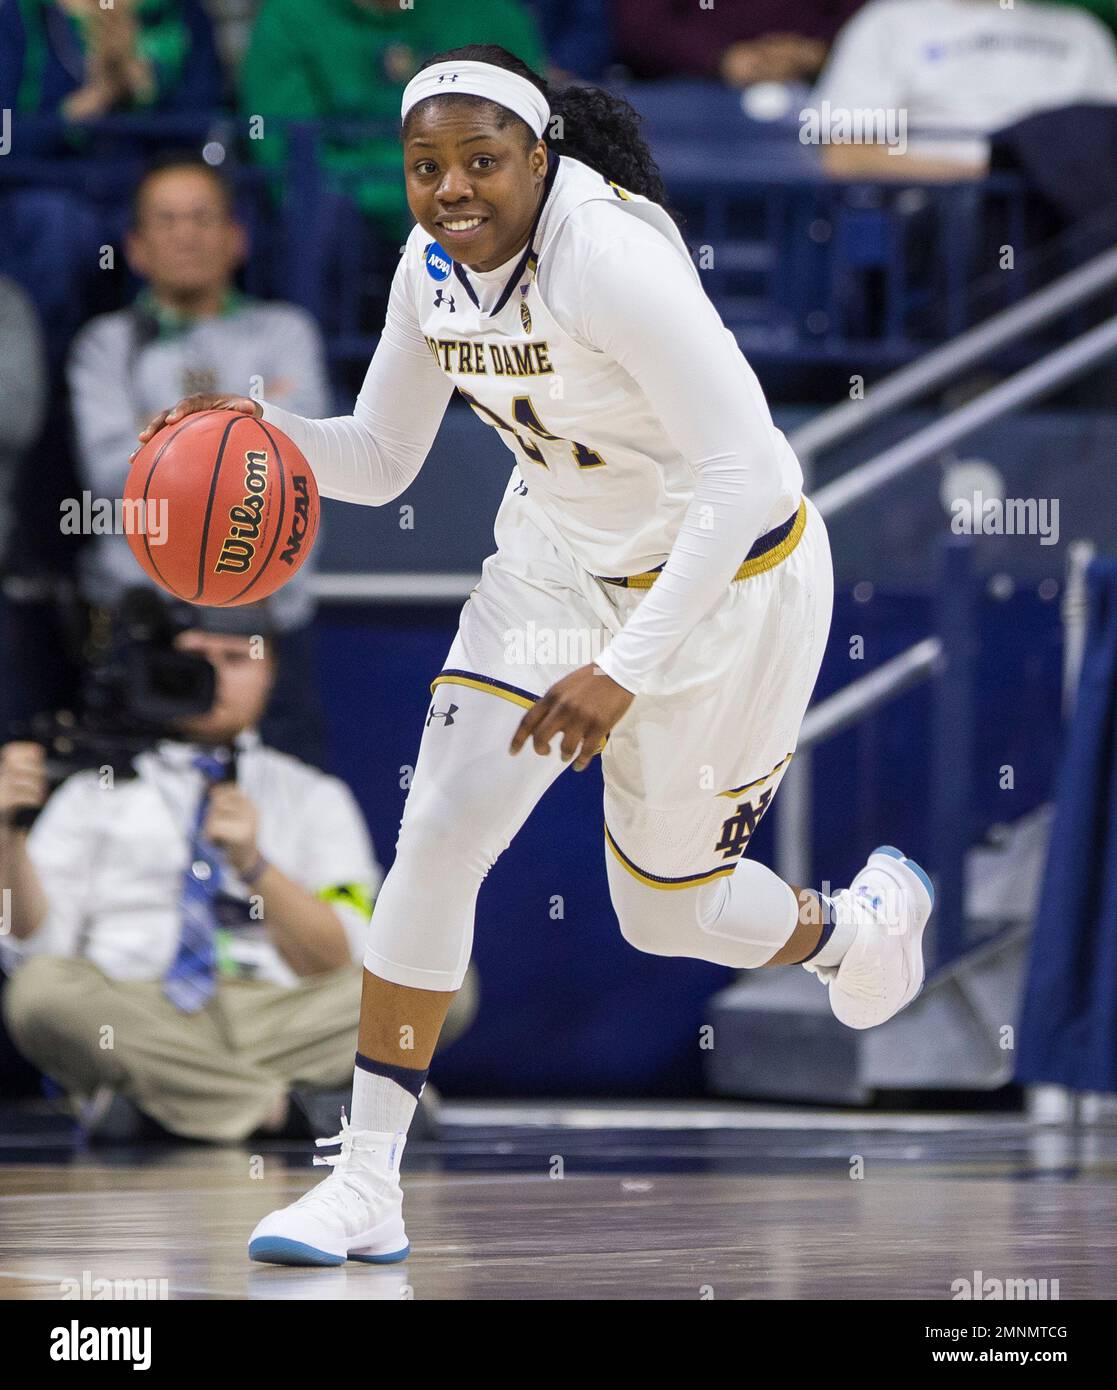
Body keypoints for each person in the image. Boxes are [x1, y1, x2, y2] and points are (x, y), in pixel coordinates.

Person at [137, 44, 935, 1266]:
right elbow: (383, 459)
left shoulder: (609, 257)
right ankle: (362, 1185)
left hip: (732, 584)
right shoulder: (427, 271)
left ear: (539, 155)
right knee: (440, 834)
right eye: (425, 166)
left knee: (663, 915)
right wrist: (266, 433)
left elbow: (746, 477)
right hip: (552, 570)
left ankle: (848, 929)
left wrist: (629, 666)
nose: (452, 189)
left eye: (480, 161)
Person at [0, 603, 476, 1142]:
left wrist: (256, 866)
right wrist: (7, 837)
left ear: (270, 670)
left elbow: (337, 956)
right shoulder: (94, 790)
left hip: (280, 1014)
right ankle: (290, 1112)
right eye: (195, 660)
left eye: (234, 659)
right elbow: (35, 951)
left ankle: (161, 1104)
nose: (214, 677)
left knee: (442, 985)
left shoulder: (313, 796)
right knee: (39, 994)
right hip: (140, 1006)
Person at [68, 154, 331, 764]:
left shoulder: (285, 331)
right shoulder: (106, 344)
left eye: (202, 218)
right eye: (165, 220)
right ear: (135, 247)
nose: (185, 234)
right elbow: (110, 475)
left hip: (267, 632)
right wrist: (241, 436)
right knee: (127, 829)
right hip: (143, 630)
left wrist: (164, 437)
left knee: (285, 817)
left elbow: (305, 459)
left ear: (236, 238)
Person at [814, 0, 1117, 179]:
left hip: (1071, 213)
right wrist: (985, 178)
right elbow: (847, 156)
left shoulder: (1080, 31)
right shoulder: (887, 22)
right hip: (941, 214)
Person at [615, 0, 864, 87]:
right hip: (692, 91)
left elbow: (877, 21)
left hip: (817, 91)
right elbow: (639, 27)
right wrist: (721, 58)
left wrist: (816, 53)